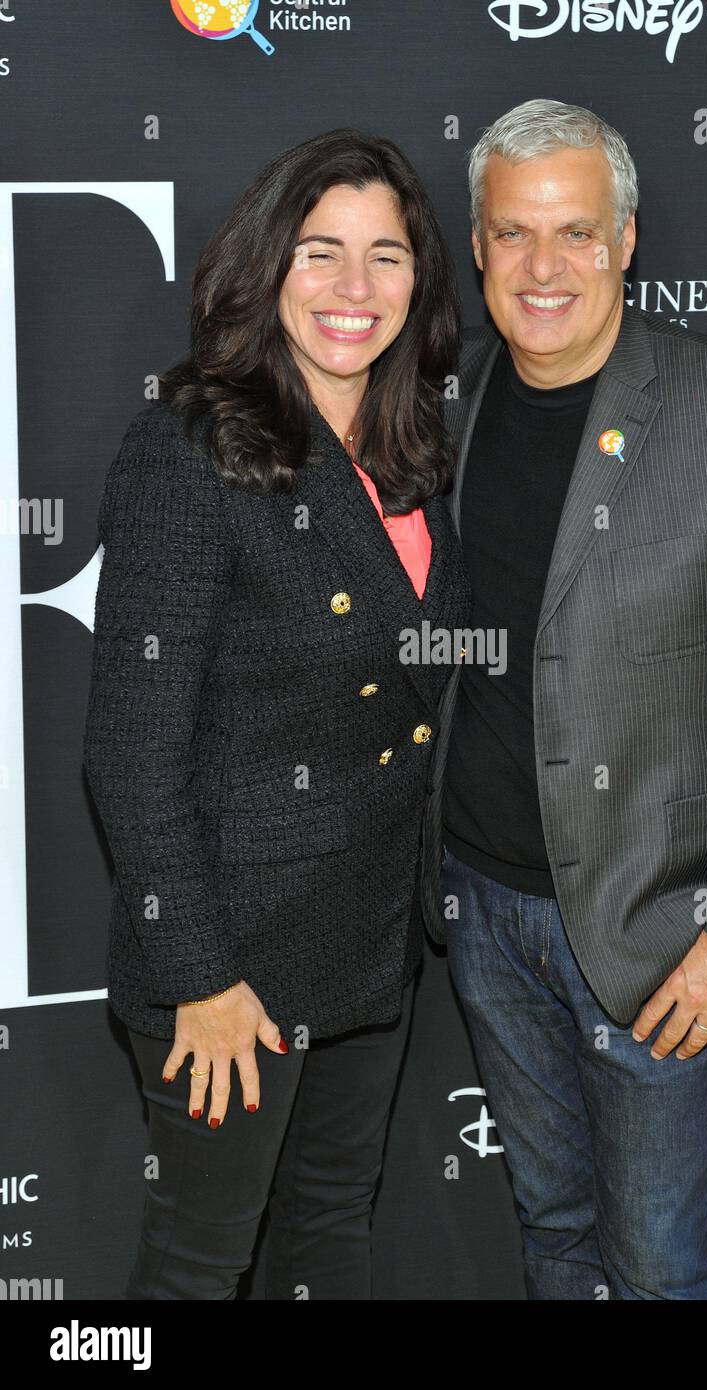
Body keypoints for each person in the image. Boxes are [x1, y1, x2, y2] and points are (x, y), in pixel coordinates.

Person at [418, 99, 707, 1300]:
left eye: (575, 231)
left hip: (667, 933)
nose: (544, 266)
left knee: (663, 1265)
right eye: (514, 234)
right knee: (554, 1227)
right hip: (484, 906)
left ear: (625, 238)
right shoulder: (445, 403)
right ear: (476, 245)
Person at [83, 129, 470, 1301]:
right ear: (267, 265)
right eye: (321, 253)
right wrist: (200, 977)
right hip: (232, 964)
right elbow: (130, 751)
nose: (355, 289)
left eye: (386, 256)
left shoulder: (410, 448)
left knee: (328, 1240)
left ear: (420, 279)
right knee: (201, 1266)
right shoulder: (191, 445)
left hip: (367, 939)